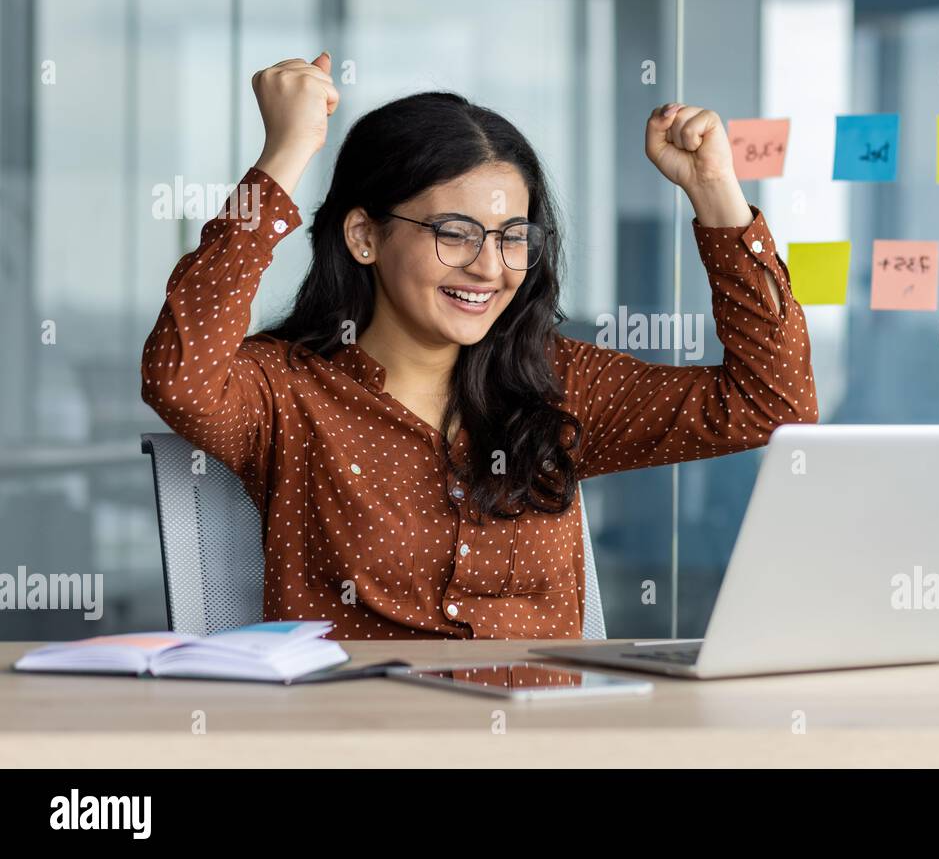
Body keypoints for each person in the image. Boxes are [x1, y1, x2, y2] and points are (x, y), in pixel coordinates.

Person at [141, 52, 818, 639]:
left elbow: (772, 400)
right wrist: (283, 156)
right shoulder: (283, 392)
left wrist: (714, 191)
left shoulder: (557, 383)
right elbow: (179, 374)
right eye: (456, 232)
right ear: (363, 236)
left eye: (512, 236)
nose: (491, 268)